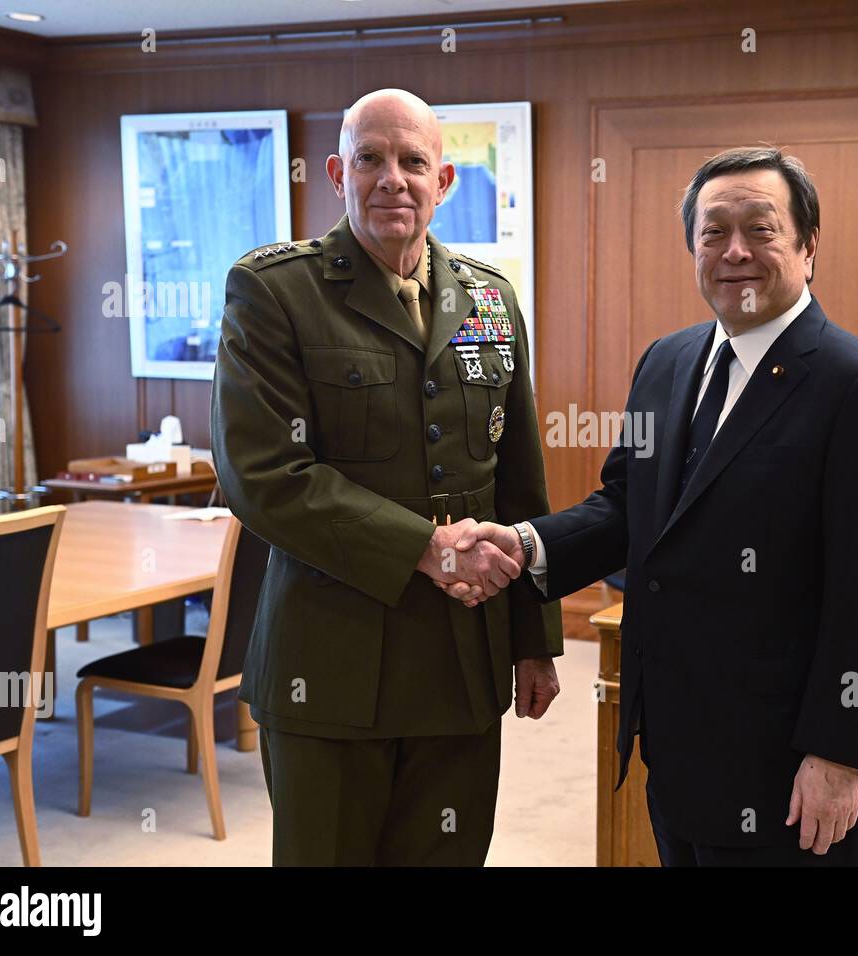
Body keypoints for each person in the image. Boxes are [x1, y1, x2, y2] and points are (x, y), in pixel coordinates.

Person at [442, 147, 858, 866]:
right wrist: (525, 546)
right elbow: (628, 507)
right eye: (713, 232)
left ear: (808, 245)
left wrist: (840, 753)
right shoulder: (667, 361)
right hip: (676, 747)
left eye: (760, 230)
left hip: (790, 767)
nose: (735, 252)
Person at [210, 89, 562, 866]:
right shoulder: (273, 292)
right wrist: (428, 549)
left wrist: (535, 642)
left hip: (462, 662)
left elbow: (520, 486)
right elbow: (264, 475)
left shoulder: (491, 300)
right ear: (338, 172)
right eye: (371, 158)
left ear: (444, 182)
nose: (392, 179)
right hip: (327, 666)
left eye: (413, 161)